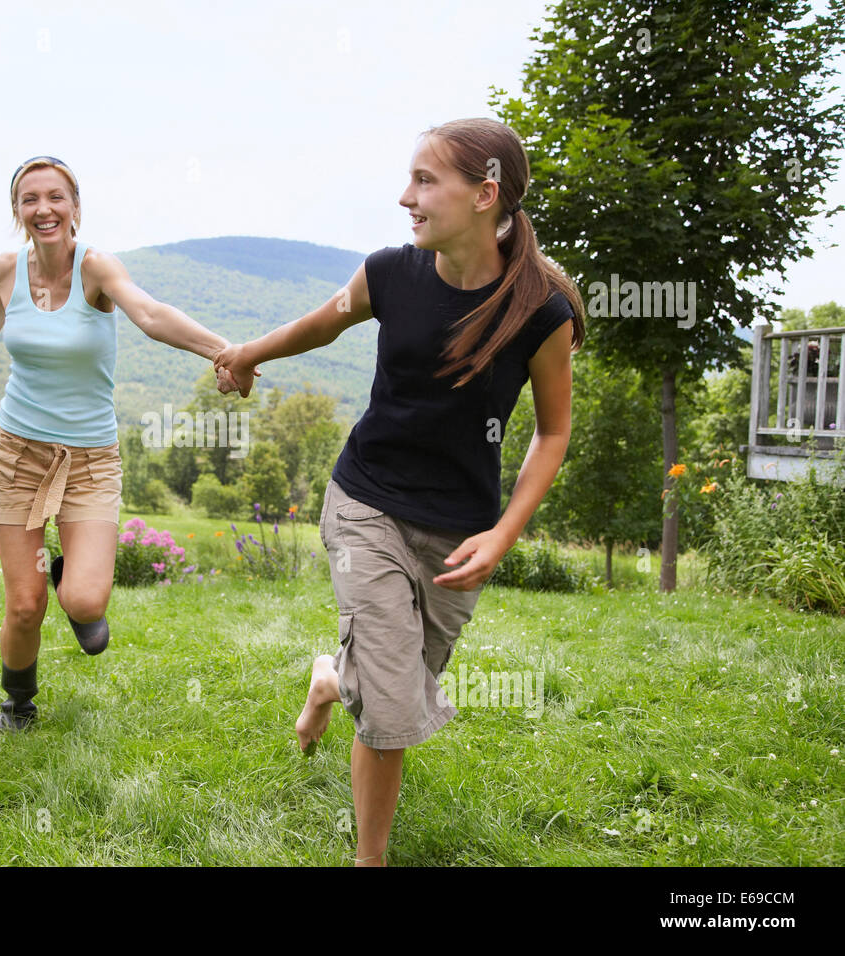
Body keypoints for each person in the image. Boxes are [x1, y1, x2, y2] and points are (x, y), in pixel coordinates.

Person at [215, 118, 585, 866]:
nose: (404, 197)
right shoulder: (391, 272)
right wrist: (247, 354)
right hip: (366, 503)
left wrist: (505, 534)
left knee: (395, 683)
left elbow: (552, 433)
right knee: (390, 708)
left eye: (424, 181)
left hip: (459, 531)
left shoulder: (541, 307)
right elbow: (325, 323)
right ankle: (370, 859)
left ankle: (330, 676)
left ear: (485, 195)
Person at [0, 156, 237, 737]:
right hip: (16, 453)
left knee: (88, 605)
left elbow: (149, 313)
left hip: (90, 460)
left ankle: (73, 582)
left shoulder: (96, 267)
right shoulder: (5, 270)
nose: (43, 209)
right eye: (29, 199)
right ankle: (17, 705)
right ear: (17, 211)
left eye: (55, 197)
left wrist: (227, 352)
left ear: (74, 206)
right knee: (24, 604)